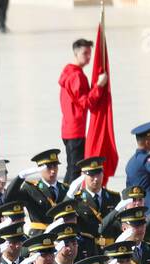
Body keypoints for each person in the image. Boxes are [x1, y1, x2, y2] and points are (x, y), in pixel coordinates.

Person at [58, 39, 108, 183]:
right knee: (75, 170)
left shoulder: (68, 71)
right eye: (85, 53)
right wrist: (99, 85)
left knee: (72, 168)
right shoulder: (76, 76)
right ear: (76, 53)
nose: (88, 57)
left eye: (89, 54)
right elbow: (85, 102)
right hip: (76, 130)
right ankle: (67, 201)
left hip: (68, 128)